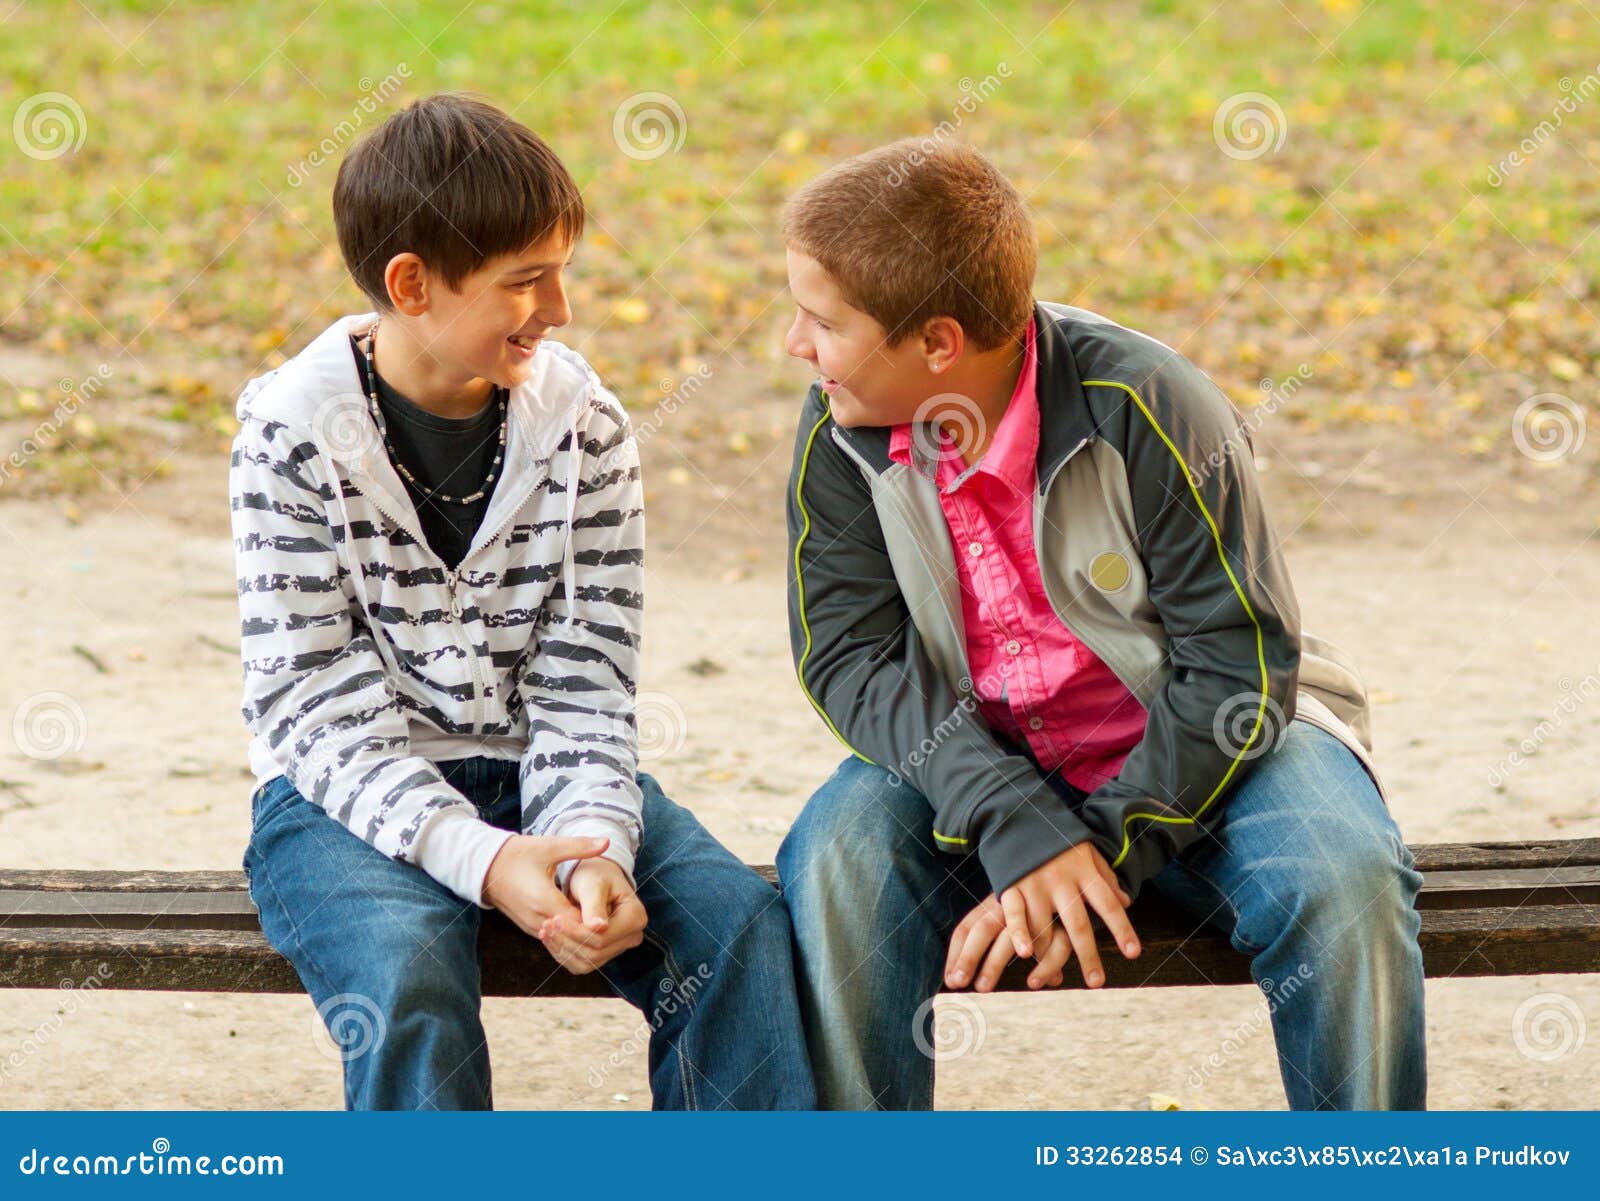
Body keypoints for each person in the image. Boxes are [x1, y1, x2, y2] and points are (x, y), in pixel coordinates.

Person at [774, 137, 1424, 1111]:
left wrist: (1097, 845)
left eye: (820, 321)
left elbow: (1238, 665)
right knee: (835, 858)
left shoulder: (1149, 406)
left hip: (1213, 751)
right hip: (981, 757)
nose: (794, 344)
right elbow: (853, 657)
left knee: (1344, 874)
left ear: (937, 344)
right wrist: (1011, 814)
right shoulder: (843, 424)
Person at [232, 92, 814, 1110]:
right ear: (411, 284)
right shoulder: (289, 436)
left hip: (543, 771)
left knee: (736, 932)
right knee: (410, 974)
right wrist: (488, 861)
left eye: (563, 273)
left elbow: (588, 670)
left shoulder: (583, 425)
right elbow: (313, 708)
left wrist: (592, 840)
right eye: (526, 281)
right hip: (343, 799)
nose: (559, 311)